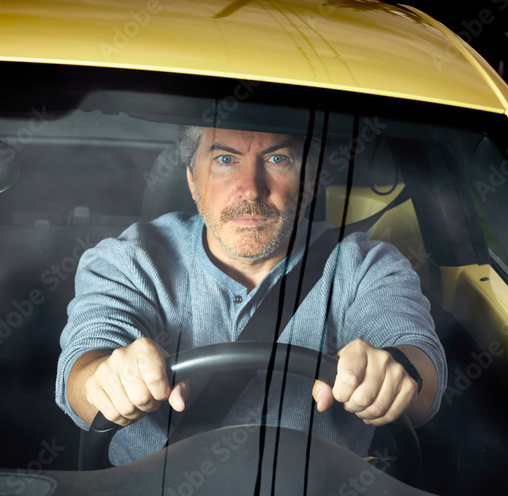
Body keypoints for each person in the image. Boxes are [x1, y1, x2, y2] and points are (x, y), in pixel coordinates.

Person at [56, 125, 447, 465]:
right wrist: (106, 379)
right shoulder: (130, 258)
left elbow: (419, 366)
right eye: (226, 160)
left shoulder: (364, 264)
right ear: (193, 180)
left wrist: (394, 371)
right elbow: (82, 374)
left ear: (309, 181)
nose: (251, 188)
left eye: (277, 159)